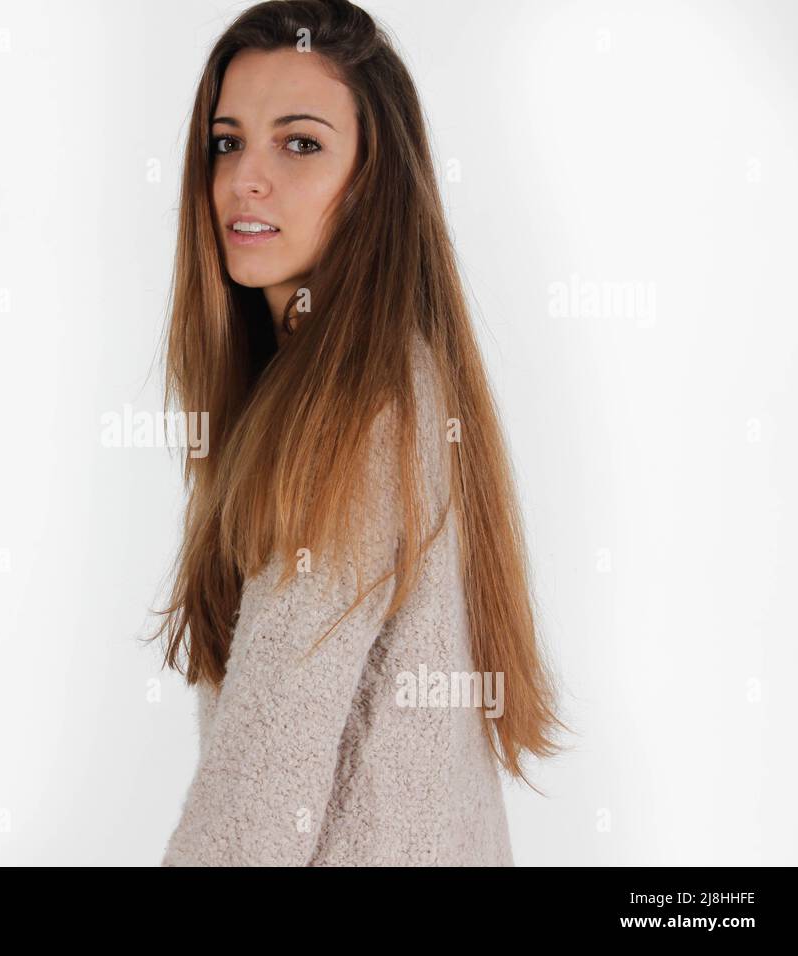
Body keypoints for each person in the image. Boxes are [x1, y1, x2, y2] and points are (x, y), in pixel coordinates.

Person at [147, 0, 569, 866]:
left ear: (374, 179)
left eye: (300, 143)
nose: (245, 179)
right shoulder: (381, 383)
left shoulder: (357, 410)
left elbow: (258, 800)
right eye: (227, 142)